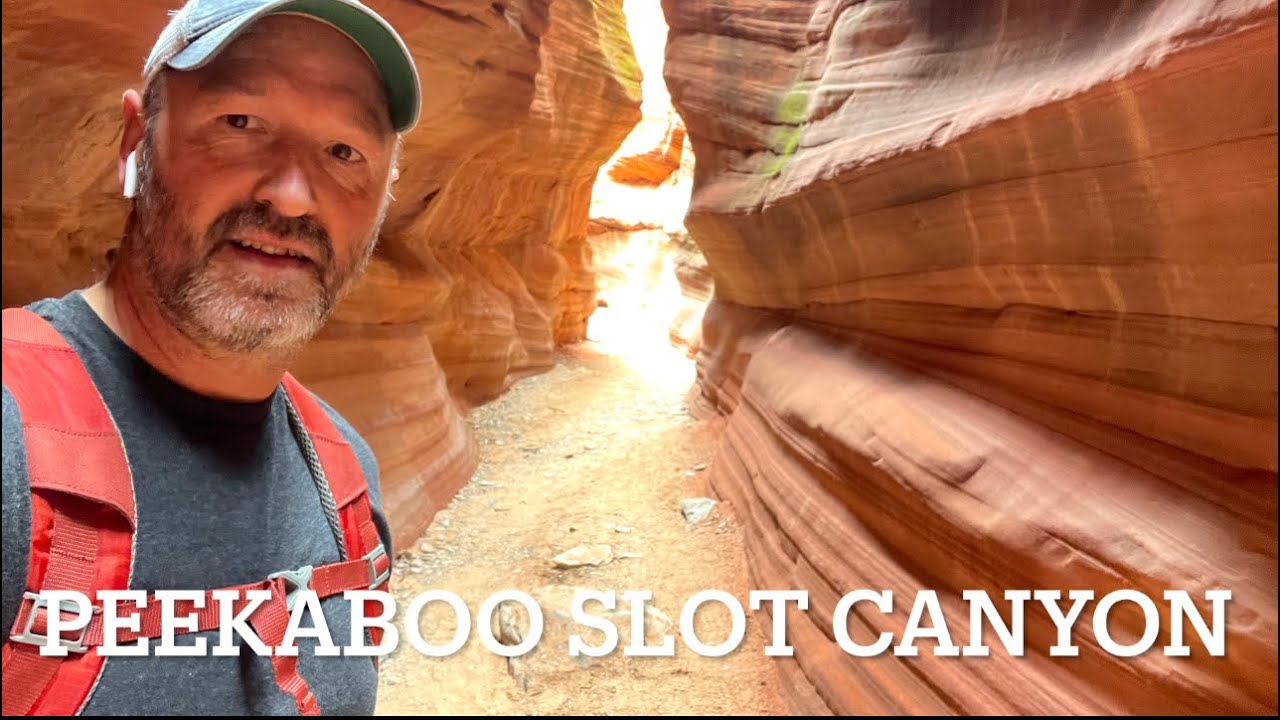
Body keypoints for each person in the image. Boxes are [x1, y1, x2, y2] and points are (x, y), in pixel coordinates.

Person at [1, 0, 422, 714]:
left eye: (344, 152)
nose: (291, 200)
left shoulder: (345, 477)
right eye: (241, 124)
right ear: (136, 141)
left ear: (383, 199)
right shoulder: (12, 445)